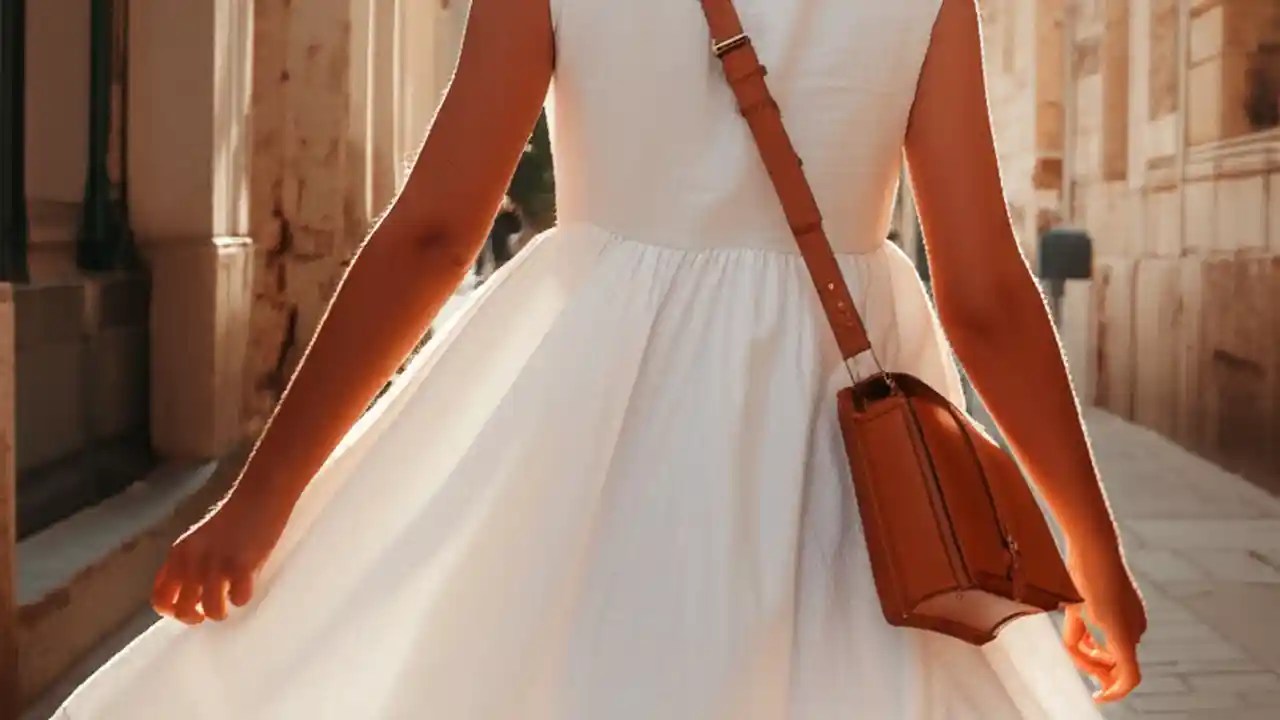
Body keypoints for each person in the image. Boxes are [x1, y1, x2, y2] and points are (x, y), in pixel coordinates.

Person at [56, 0, 1147, 717]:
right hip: (840, 426)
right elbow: (986, 295)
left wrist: (263, 499)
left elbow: (435, 232)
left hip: (602, 398)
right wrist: (1090, 553)